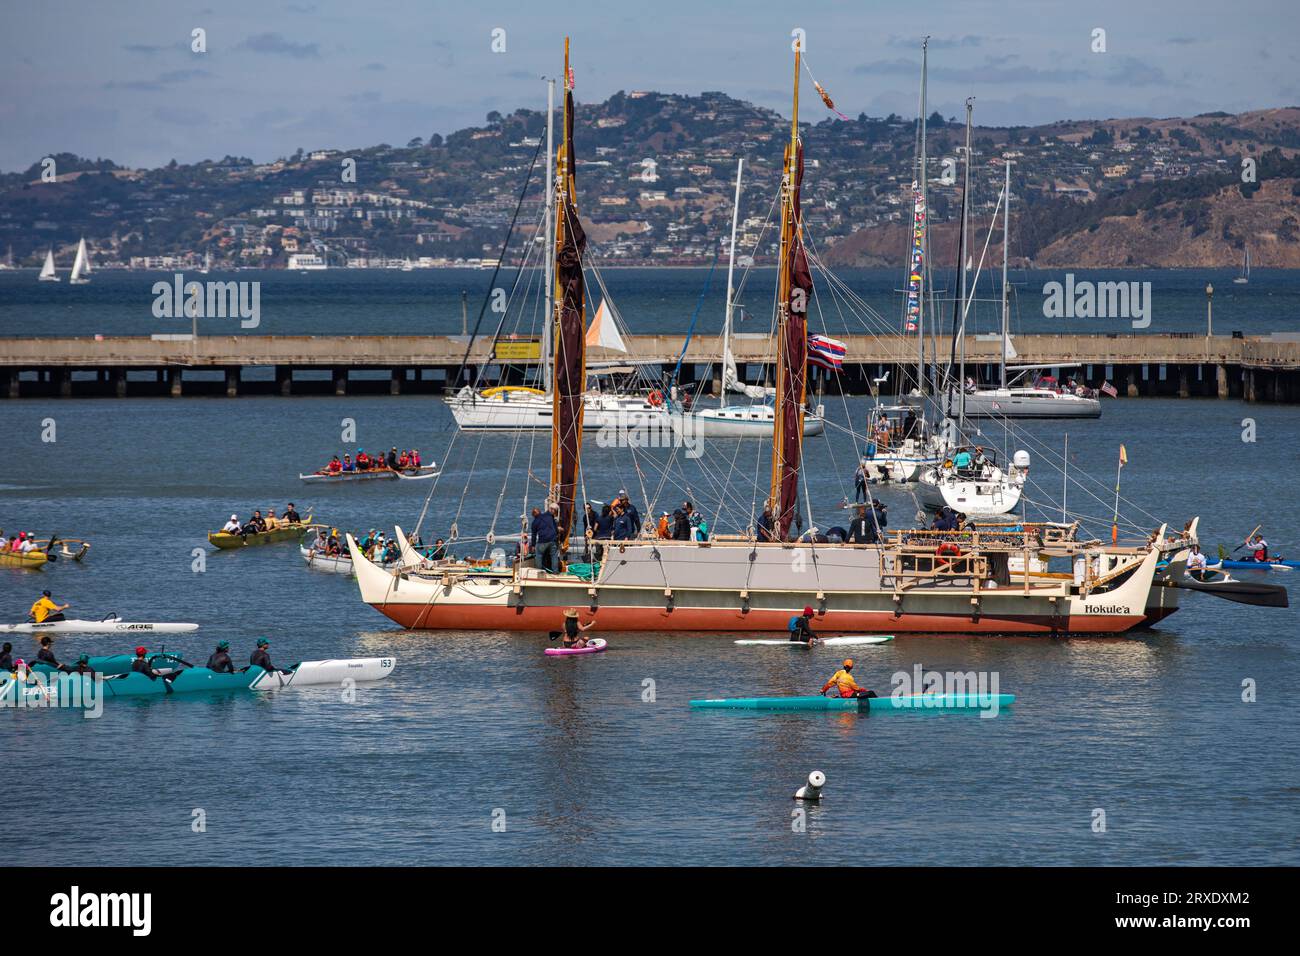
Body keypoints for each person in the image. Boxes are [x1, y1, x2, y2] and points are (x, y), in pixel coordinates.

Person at [531, 505, 560, 573]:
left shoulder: (534, 522)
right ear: (540, 512)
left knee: (539, 555)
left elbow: (534, 535)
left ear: (533, 515)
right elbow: (552, 511)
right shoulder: (548, 515)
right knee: (554, 555)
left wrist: (533, 545)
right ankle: (555, 572)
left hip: (543, 541)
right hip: (553, 540)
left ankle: (539, 572)